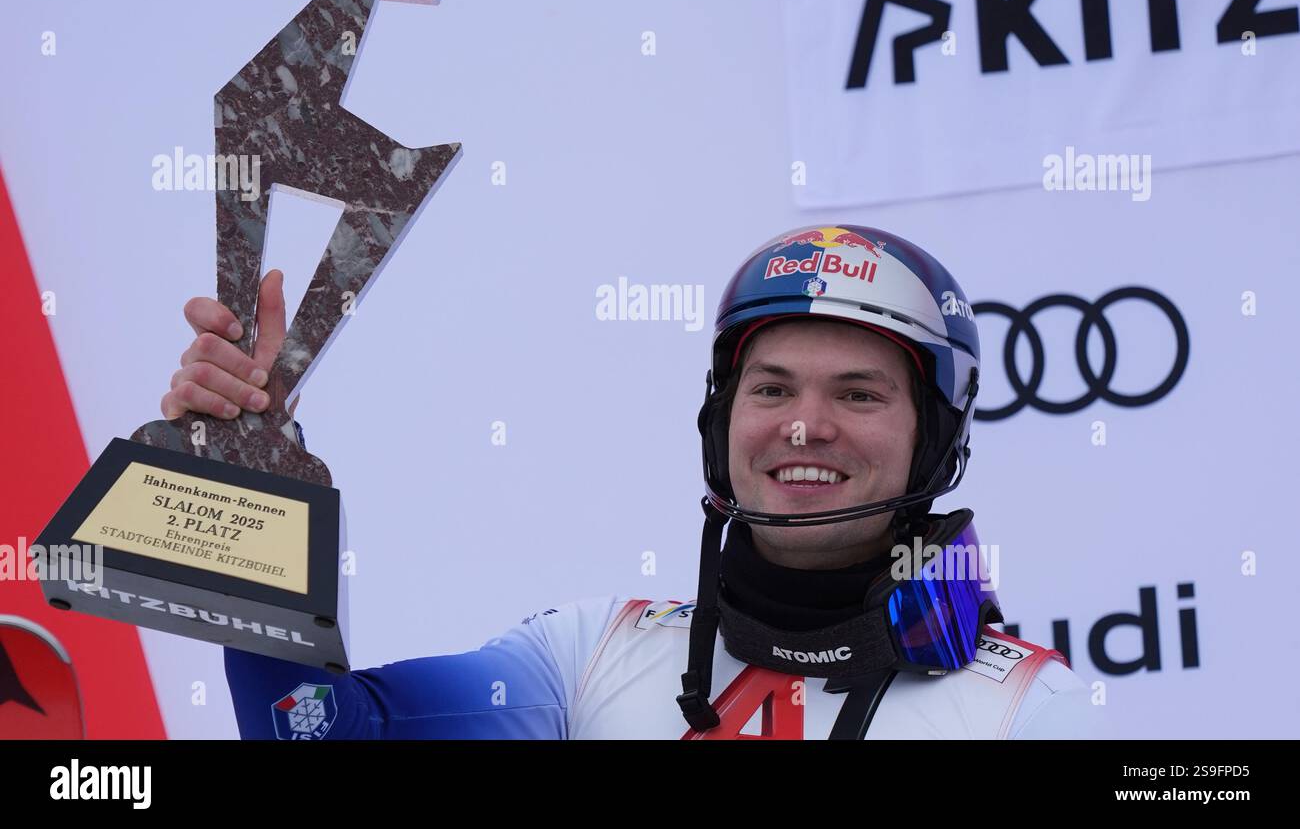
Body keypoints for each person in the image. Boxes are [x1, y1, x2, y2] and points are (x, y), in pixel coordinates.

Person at [163, 224, 1098, 739]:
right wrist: (256, 479)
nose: (805, 424)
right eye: (770, 388)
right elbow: (318, 736)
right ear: (720, 420)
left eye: (859, 393)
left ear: (936, 441)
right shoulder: (590, 658)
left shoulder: (1029, 715)